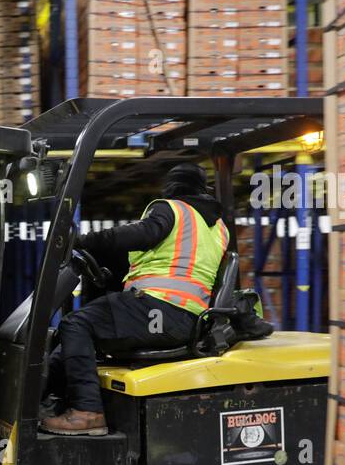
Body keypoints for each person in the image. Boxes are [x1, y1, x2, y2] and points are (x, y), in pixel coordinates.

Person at [41, 162, 231, 436]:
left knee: (75, 324)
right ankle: (50, 401)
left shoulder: (172, 209)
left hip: (160, 308)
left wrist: (83, 241)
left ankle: (87, 412)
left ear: (172, 188)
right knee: (71, 339)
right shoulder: (218, 228)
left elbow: (143, 234)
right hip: (186, 318)